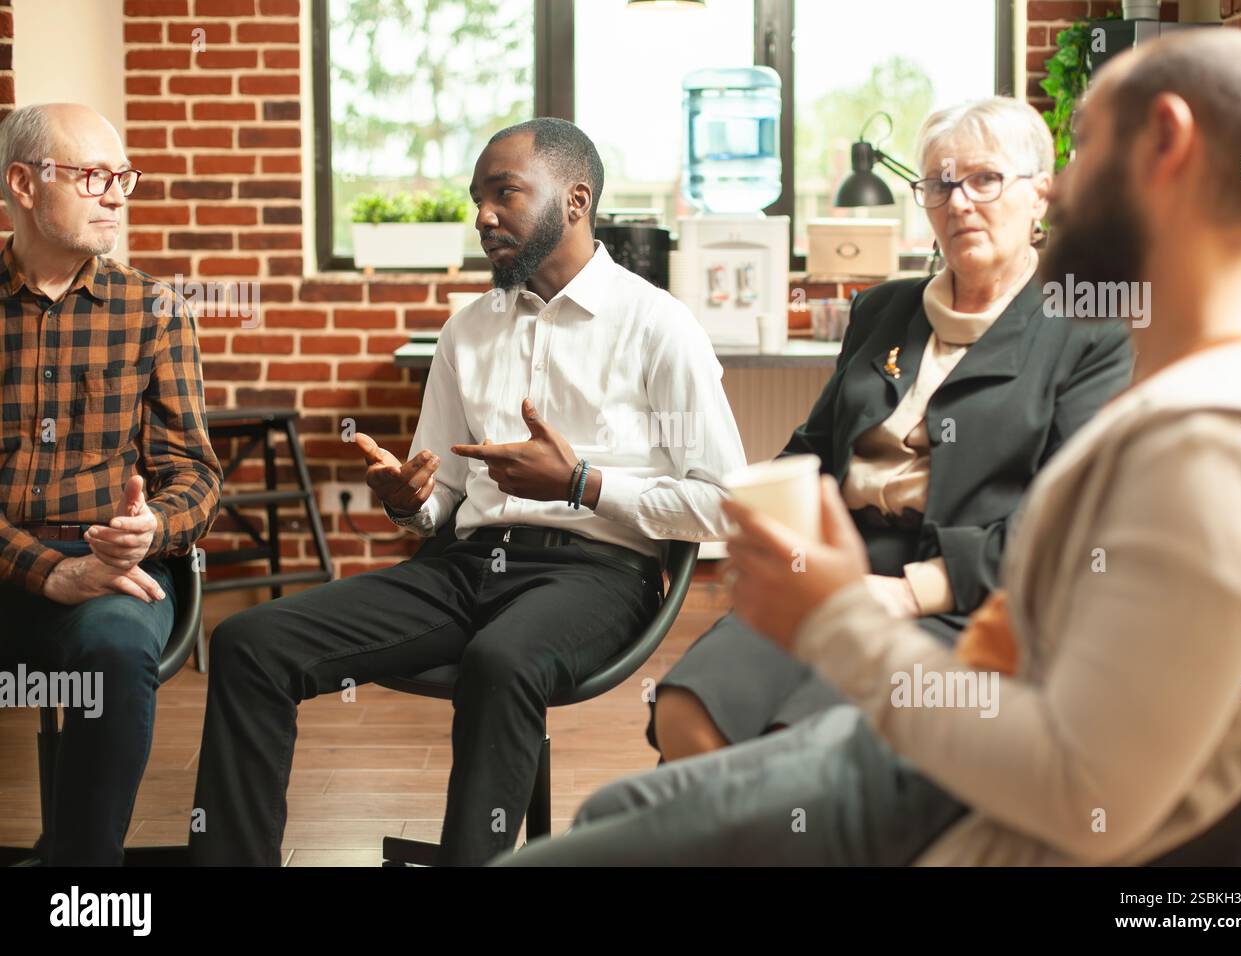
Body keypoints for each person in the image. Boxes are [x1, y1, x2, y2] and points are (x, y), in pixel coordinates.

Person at [498, 28, 1241, 866]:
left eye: (1084, 148)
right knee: (628, 795)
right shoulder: (1202, 401)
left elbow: (1081, 788)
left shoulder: (1215, 450)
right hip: (958, 733)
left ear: (1167, 141)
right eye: (941, 183)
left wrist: (839, 618)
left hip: (969, 790)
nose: (1059, 186)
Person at [188, 118, 747, 866]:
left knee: (500, 660)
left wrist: (581, 483)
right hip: (466, 565)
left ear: (575, 200)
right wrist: (407, 499)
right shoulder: (467, 330)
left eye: (504, 193)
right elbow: (440, 497)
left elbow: (724, 505)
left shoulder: (658, 326)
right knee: (250, 643)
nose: (483, 215)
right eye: (477, 198)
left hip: (597, 575)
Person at [651, 96, 1131, 763]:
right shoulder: (884, 309)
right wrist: (761, 518)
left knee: (800, 751)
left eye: (985, 180)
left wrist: (911, 590)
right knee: (688, 713)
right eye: (940, 184)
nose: (959, 203)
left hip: (966, 594)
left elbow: (1064, 523)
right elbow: (816, 449)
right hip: (838, 566)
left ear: (1040, 195)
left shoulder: (1087, 329)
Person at [0, 103, 221, 865]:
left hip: (111, 569)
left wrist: (152, 527)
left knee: (118, 650)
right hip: (10, 559)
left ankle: (84, 880)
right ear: (24, 183)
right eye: (94, 177)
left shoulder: (155, 309)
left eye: (123, 176)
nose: (118, 195)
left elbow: (193, 472)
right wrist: (46, 571)